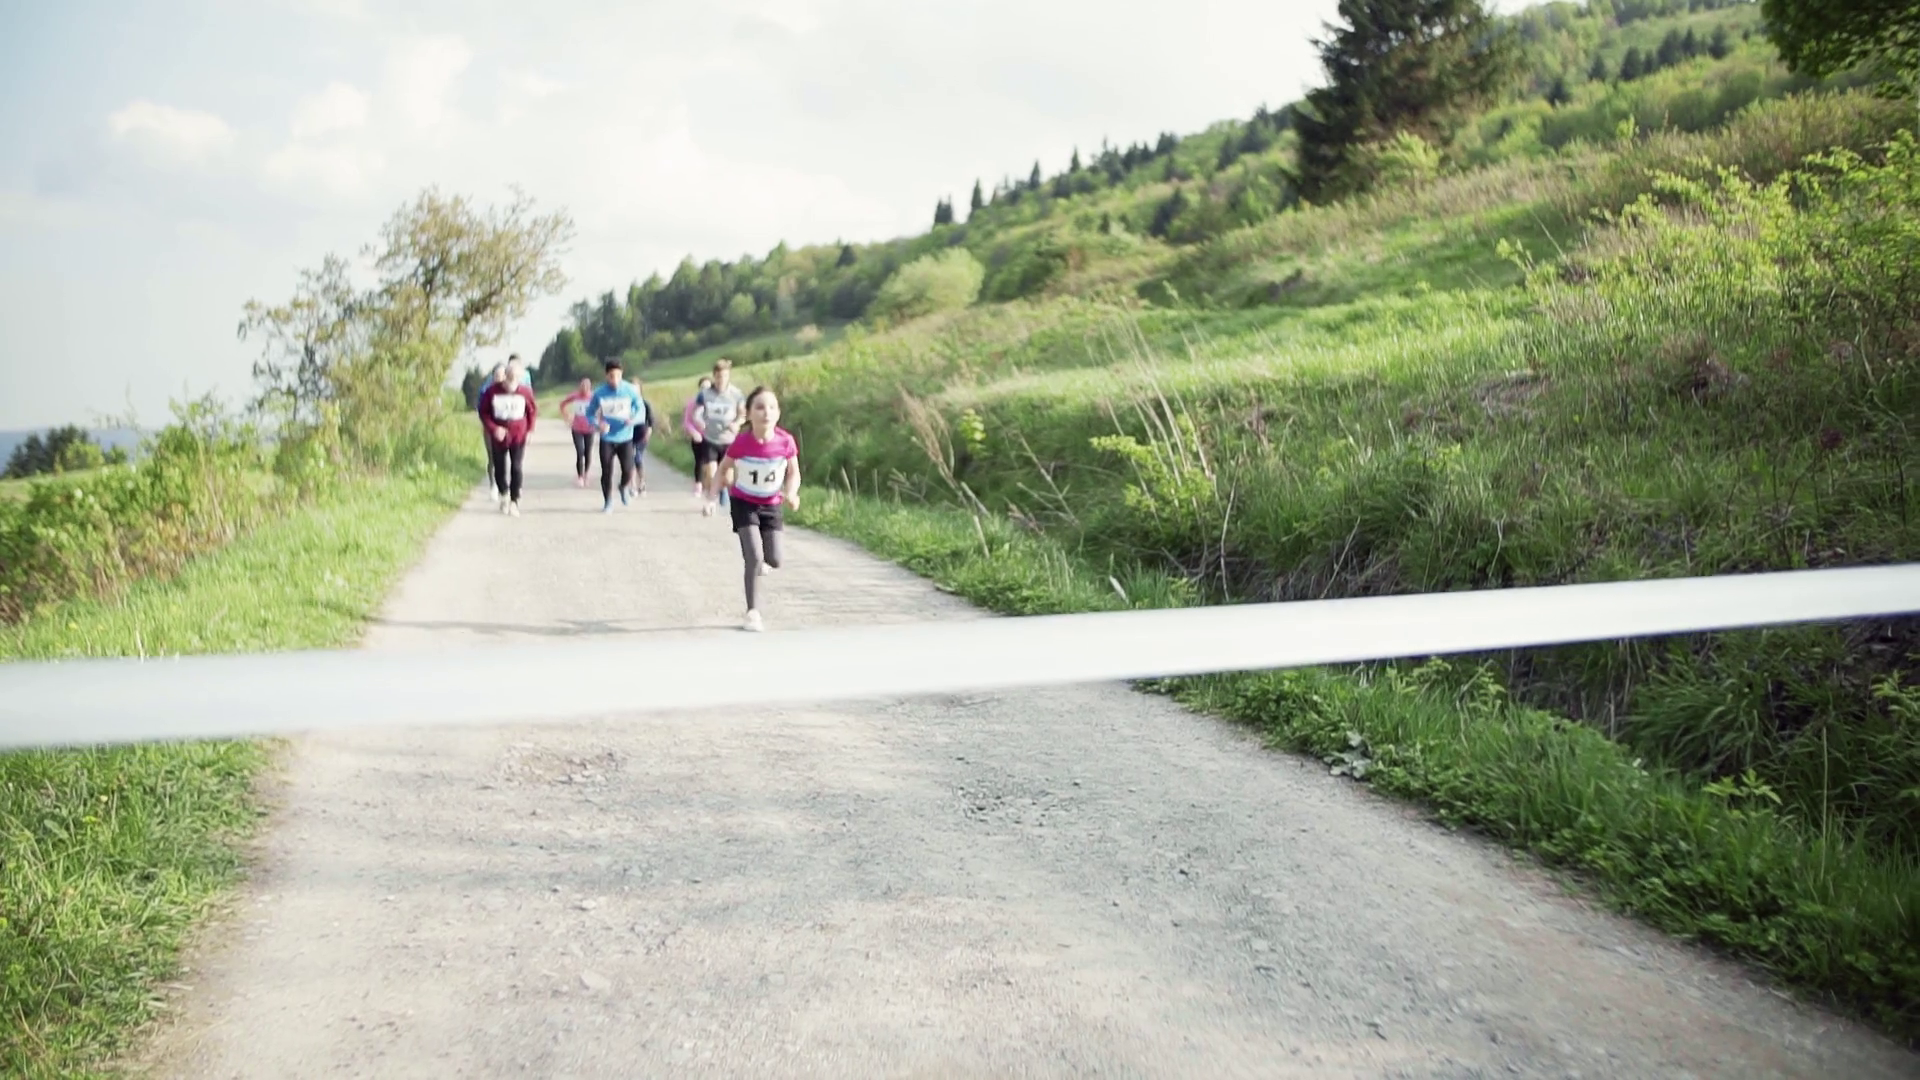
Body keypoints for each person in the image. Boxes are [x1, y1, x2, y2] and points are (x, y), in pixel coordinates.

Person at [717, 386, 800, 632]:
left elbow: (794, 472)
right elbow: (724, 468)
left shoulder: (786, 441)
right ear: (749, 414)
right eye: (760, 407)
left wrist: (792, 493)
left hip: (771, 504)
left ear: (778, 413)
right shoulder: (741, 442)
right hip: (744, 502)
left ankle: (764, 562)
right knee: (753, 556)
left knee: (775, 559)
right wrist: (715, 494)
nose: (767, 412)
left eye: (772, 407)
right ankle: (752, 612)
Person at [584, 359, 648, 513]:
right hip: (607, 438)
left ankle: (623, 486)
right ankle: (608, 502)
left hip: (625, 437)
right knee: (606, 471)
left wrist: (633, 419)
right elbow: (589, 413)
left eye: (618, 376)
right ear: (606, 376)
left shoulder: (630, 391)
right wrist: (598, 424)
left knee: (628, 469)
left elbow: (641, 411)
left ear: (622, 375)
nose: (615, 380)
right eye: (611, 376)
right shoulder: (599, 393)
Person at [476, 358, 537, 516]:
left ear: (519, 379)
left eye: (515, 378)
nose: (511, 382)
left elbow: (532, 412)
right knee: (499, 468)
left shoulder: (525, 392)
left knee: (516, 467)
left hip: (518, 435)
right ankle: (504, 494)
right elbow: (483, 413)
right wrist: (494, 428)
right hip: (499, 437)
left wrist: (530, 431)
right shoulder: (492, 392)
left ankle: (514, 501)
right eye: (509, 377)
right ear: (505, 376)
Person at [691, 359, 747, 518]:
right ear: (714, 376)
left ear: (728, 376)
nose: (721, 380)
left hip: (729, 440)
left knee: (728, 477)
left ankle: (723, 489)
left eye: (724, 376)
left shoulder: (736, 394)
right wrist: (700, 422)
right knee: (711, 474)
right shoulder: (705, 394)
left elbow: (742, 414)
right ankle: (711, 501)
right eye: (718, 376)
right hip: (711, 439)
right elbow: (695, 412)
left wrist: (737, 423)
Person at [559, 378, 597, 488]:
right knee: (580, 452)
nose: (584, 389)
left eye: (586, 387)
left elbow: (601, 408)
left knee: (588, 452)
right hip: (576, 428)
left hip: (590, 428)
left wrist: (598, 419)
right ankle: (580, 476)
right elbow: (562, 404)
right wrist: (567, 415)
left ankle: (586, 474)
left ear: (590, 388)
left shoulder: (593, 397)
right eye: (582, 387)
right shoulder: (575, 396)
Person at [681, 376, 713, 498]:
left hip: (712, 437)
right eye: (703, 387)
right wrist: (694, 433)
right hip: (698, 437)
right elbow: (687, 421)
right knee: (699, 461)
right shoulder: (693, 403)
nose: (705, 390)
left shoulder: (715, 403)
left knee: (711, 462)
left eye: (708, 387)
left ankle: (712, 486)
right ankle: (698, 485)